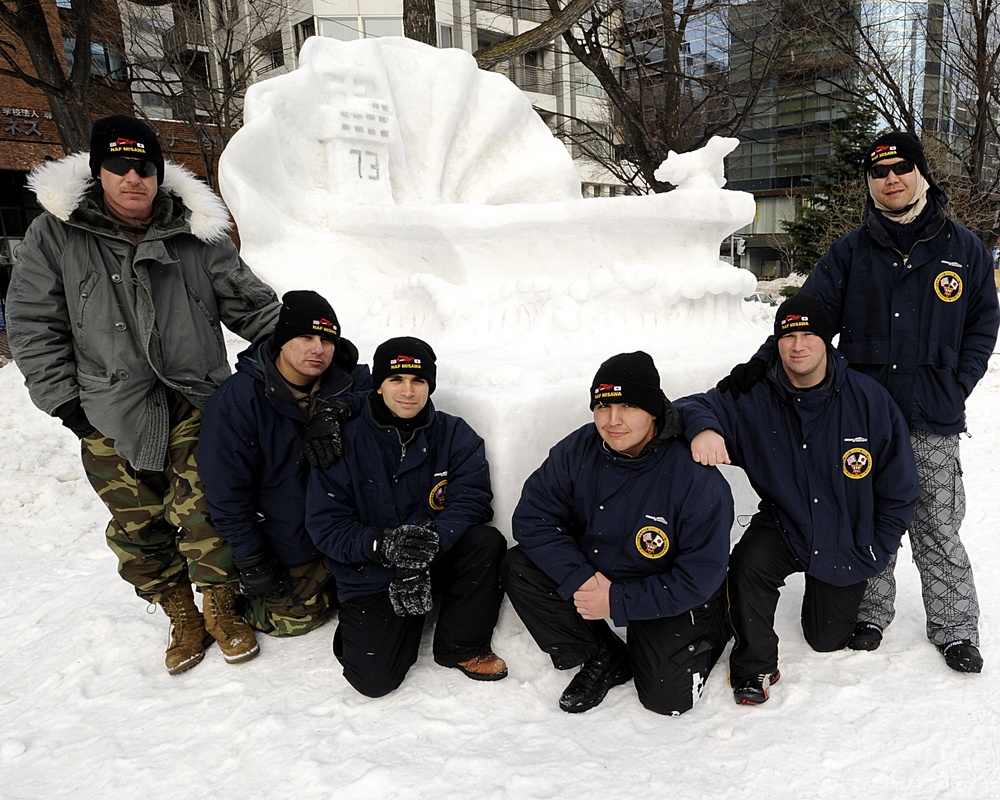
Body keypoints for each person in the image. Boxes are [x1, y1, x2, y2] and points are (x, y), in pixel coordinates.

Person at [6, 115, 280, 675]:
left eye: (145, 167)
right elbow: (33, 323)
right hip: (104, 405)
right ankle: (179, 611)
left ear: (159, 175)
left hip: (196, 394)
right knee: (137, 522)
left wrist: (308, 341)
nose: (134, 177)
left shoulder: (197, 234)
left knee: (207, 503)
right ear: (98, 171)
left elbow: (251, 305)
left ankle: (220, 605)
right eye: (119, 166)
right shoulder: (54, 234)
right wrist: (66, 405)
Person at [721, 132, 1000, 674]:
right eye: (878, 172)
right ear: (870, 184)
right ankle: (871, 611)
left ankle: (955, 627)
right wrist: (759, 366)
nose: (890, 179)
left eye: (900, 168)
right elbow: (808, 317)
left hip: (931, 414)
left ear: (920, 174)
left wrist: (956, 384)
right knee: (868, 513)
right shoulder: (851, 252)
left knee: (936, 521)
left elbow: (982, 327)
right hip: (863, 415)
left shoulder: (962, 248)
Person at [676, 295, 919, 704]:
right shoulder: (754, 393)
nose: (798, 345)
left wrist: (877, 548)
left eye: (809, 334)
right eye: (788, 336)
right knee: (747, 566)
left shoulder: (867, 399)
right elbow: (688, 407)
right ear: (777, 342)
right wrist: (704, 429)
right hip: (785, 521)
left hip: (845, 530)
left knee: (825, 640)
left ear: (827, 340)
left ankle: (830, 593)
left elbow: (900, 487)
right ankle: (755, 665)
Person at [502, 352, 733, 716]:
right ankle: (603, 653)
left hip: (660, 583)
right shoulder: (577, 450)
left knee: (665, 700)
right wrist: (581, 578)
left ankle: (719, 620)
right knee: (519, 565)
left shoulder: (695, 478)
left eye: (627, 406)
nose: (613, 420)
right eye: (603, 405)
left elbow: (699, 575)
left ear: (653, 410)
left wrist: (620, 601)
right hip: (597, 571)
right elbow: (533, 517)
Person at [306, 336, 508, 697]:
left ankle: (461, 644)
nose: (408, 391)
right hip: (371, 569)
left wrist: (426, 546)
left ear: (430, 386)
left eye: (418, 381)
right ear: (379, 384)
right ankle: (368, 624)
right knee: (374, 680)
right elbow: (327, 525)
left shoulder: (454, 434)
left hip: (434, 556)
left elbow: (473, 501)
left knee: (485, 542)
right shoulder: (343, 442)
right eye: (396, 379)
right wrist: (383, 546)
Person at [200, 290, 371, 637]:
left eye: (327, 339)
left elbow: (387, 402)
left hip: (346, 528)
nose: (317, 349)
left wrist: (341, 408)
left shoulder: (351, 383)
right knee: (291, 623)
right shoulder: (238, 401)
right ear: (281, 340)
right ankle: (225, 594)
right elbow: (226, 491)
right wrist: (253, 559)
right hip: (286, 535)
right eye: (305, 337)